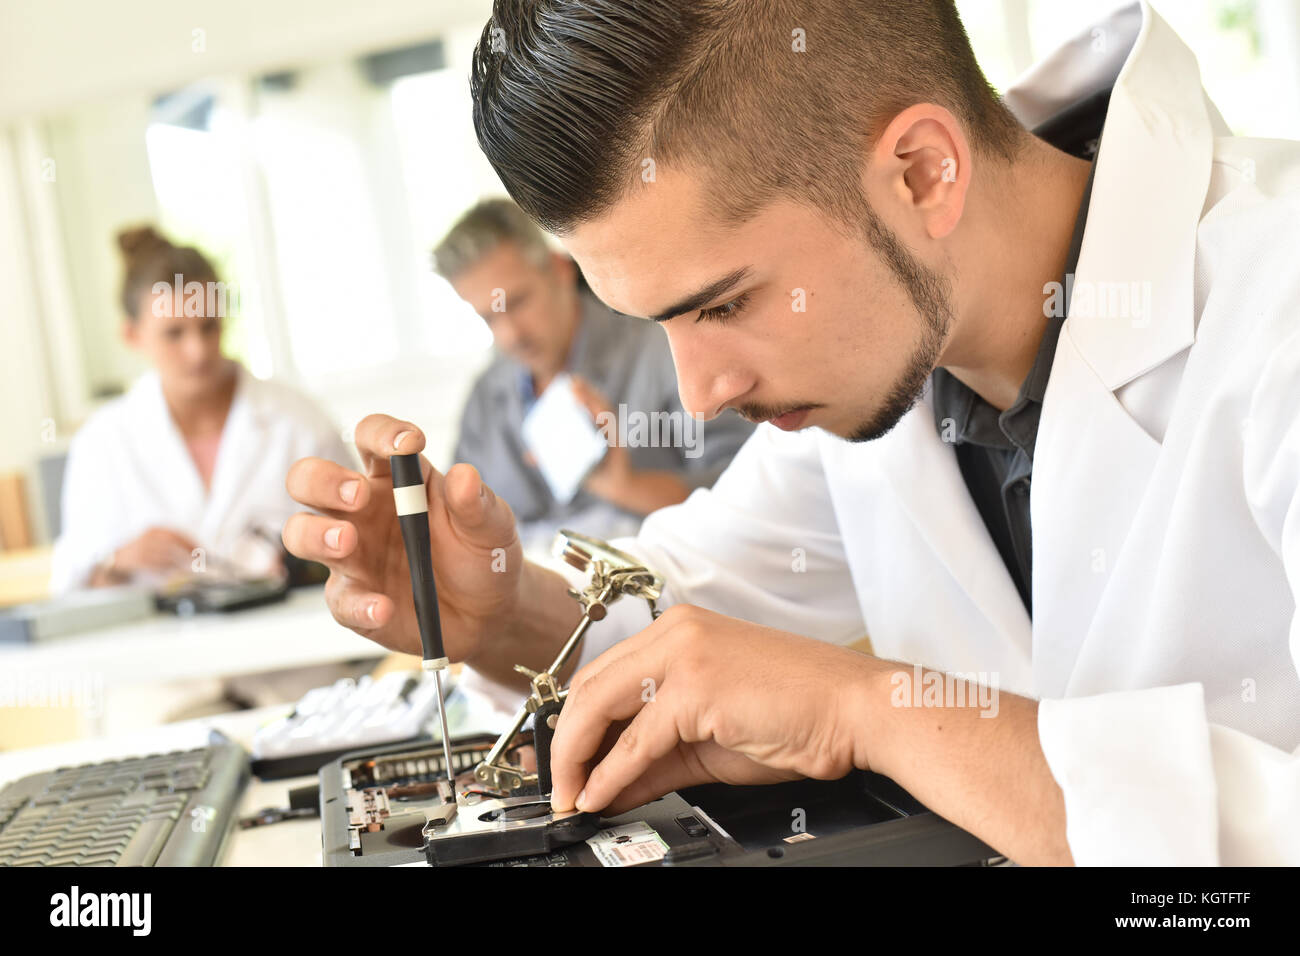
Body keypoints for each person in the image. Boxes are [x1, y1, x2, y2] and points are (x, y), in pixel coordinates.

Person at [283, 0, 1300, 865]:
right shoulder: (881, 366)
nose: (696, 396)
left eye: (723, 305)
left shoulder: (1275, 298)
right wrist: (497, 610)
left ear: (920, 173)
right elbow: (684, 623)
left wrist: (868, 708)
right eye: (659, 322)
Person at [435, 198, 754, 552]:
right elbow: (461, 526)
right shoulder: (484, 399)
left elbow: (748, 495)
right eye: (489, 318)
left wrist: (627, 486)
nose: (511, 334)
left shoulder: (663, 351)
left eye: (519, 301)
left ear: (560, 270)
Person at [50, 226, 352, 594]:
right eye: (174, 333)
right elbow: (67, 586)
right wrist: (117, 560)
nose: (198, 351)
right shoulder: (103, 443)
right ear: (132, 335)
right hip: (158, 649)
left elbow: (361, 546)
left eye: (208, 327)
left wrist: (305, 565)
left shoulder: (300, 422)